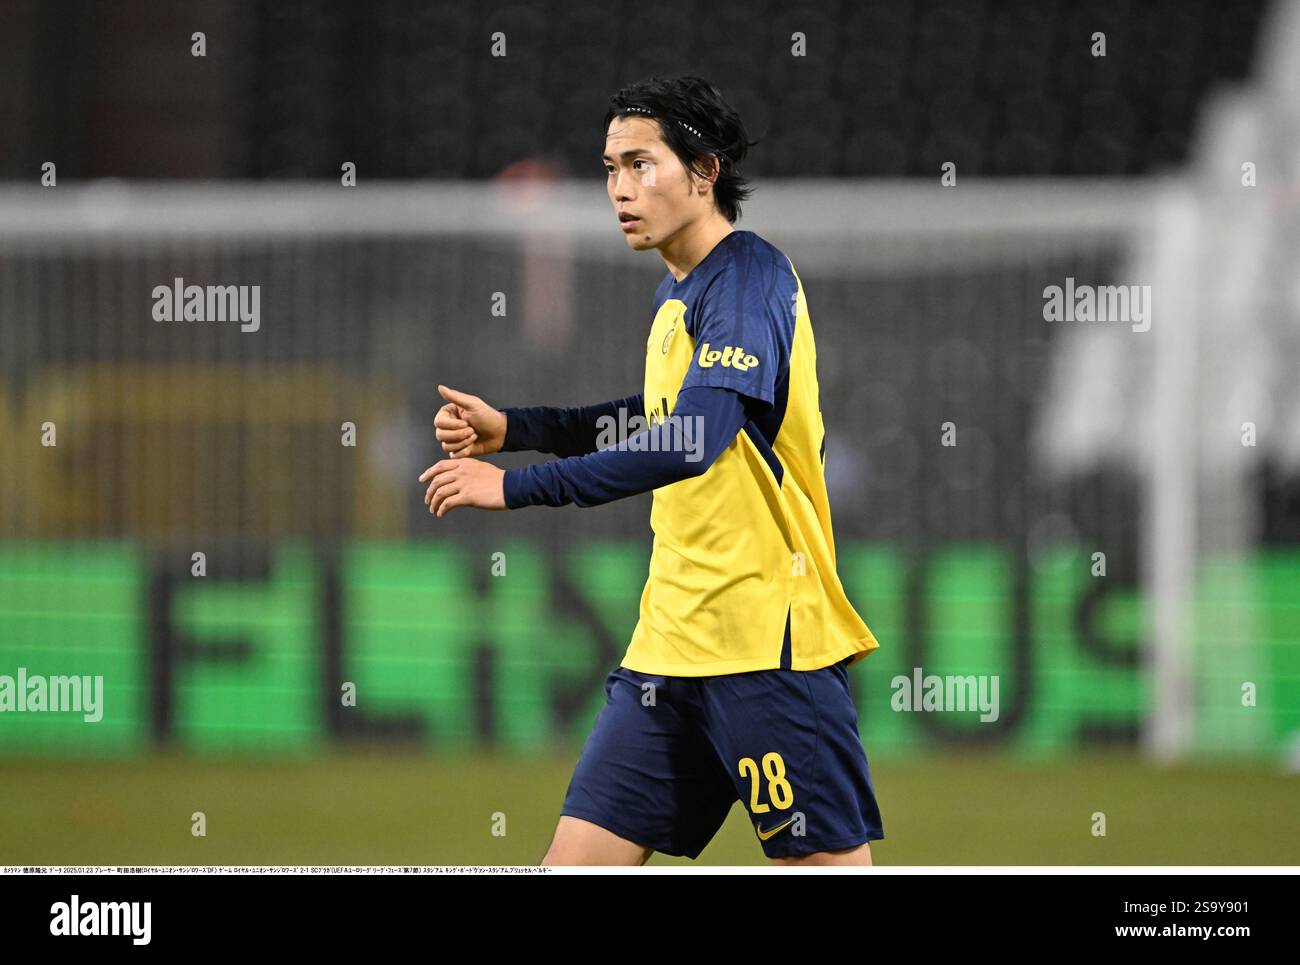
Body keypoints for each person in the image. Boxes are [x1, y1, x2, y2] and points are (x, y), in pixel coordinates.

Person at [419, 75, 884, 866]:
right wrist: (518, 430)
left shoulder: (748, 278)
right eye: (609, 168)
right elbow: (652, 415)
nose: (619, 190)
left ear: (704, 172)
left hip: (766, 649)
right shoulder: (679, 295)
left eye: (641, 165)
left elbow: (693, 437)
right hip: (667, 654)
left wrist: (518, 486)